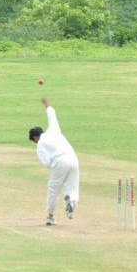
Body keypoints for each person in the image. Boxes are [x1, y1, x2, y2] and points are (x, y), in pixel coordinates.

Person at [28, 96, 80, 226]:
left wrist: (56, 165)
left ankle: (50, 216)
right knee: (72, 186)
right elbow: (51, 115)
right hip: (73, 158)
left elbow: (47, 163)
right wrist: (47, 103)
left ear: (35, 137)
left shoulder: (40, 144)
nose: (35, 143)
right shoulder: (53, 129)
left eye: (34, 140)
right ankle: (71, 201)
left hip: (59, 162)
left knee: (53, 189)